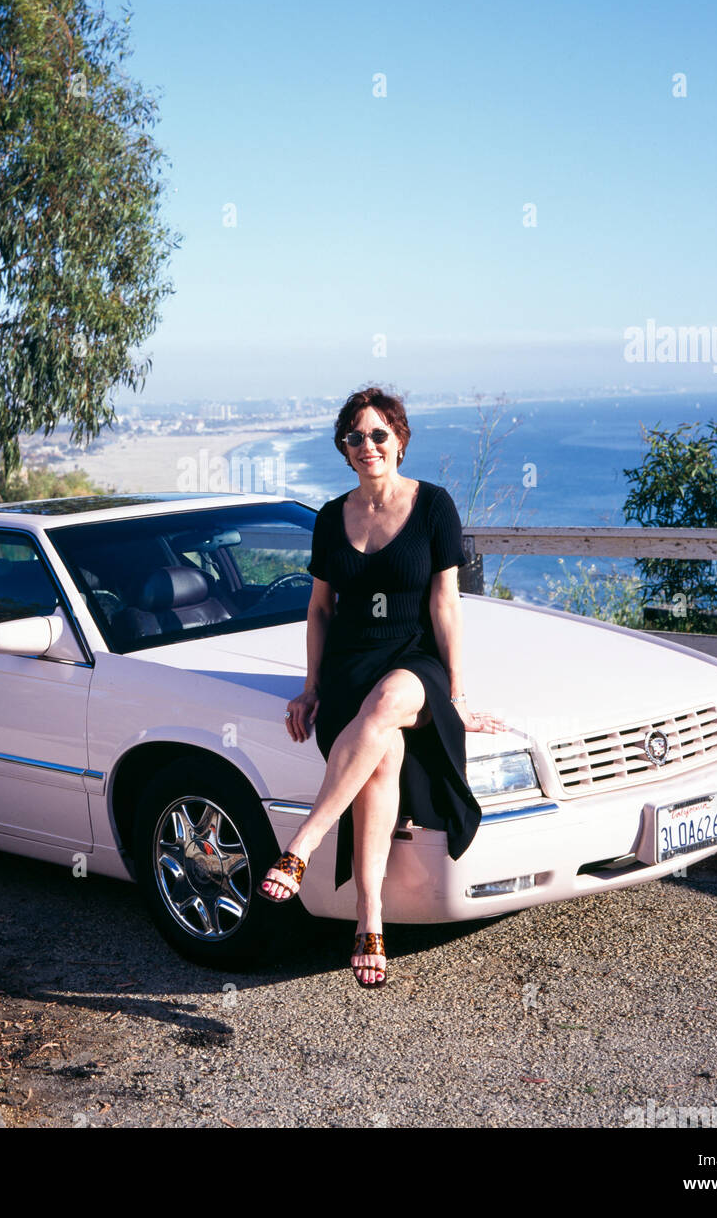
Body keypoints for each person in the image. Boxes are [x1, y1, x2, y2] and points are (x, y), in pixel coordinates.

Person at [257, 386, 508, 987]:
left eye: (377, 434)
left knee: (392, 704)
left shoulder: (433, 506)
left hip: (414, 659)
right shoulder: (329, 516)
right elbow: (319, 610)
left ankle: (303, 845)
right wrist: (311, 686)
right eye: (354, 437)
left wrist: (459, 694)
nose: (366, 445)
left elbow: (446, 601)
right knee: (381, 757)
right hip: (349, 666)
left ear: (399, 440)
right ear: (344, 451)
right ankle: (370, 920)